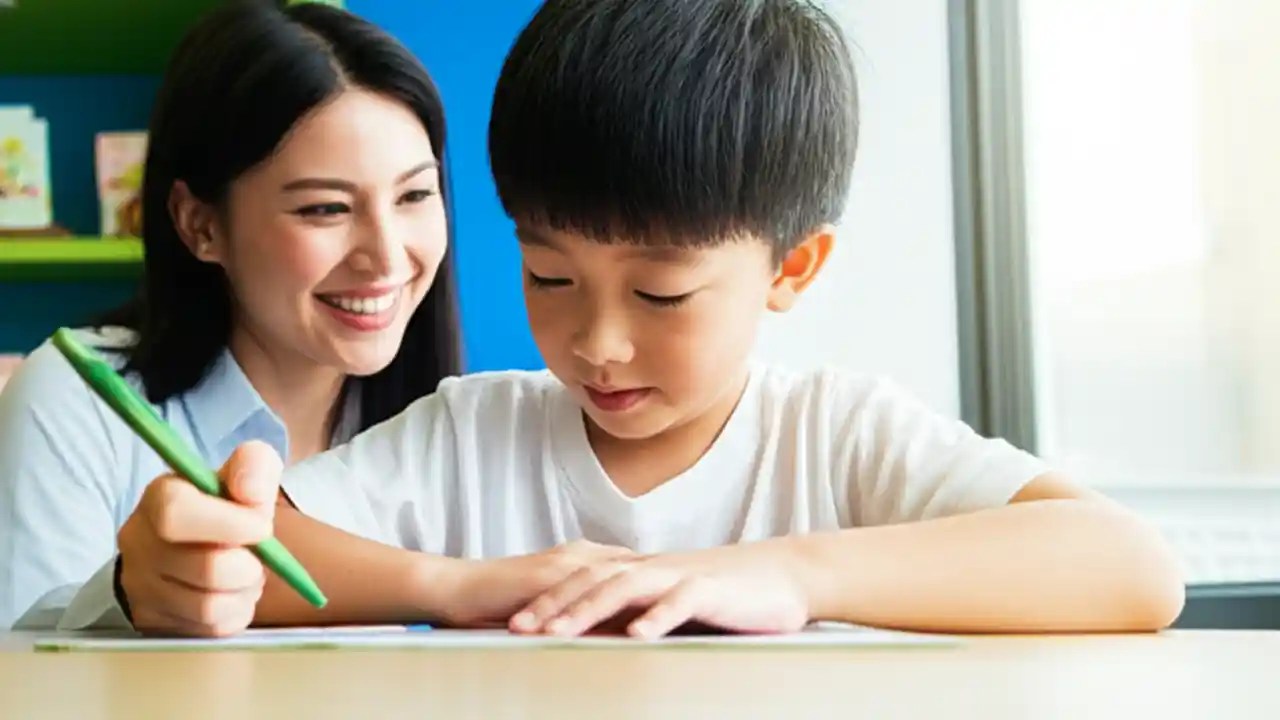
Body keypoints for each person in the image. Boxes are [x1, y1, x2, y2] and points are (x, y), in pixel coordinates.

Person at [82, 0, 1185, 637]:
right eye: (549, 276)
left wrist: (788, 575)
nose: (595, 343)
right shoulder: (474, 434)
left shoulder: (836, 437)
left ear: (789, 268)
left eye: (660, 294)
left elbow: (1131, 569)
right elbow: (228, 536)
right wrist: (451, 585)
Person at [0, 0, 462, 630]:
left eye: (414, 195)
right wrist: (126, 601)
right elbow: (18, 662)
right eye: (325, 209)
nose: (385, 256)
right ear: (201, 225)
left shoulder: (450, 428)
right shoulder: (74, 401)